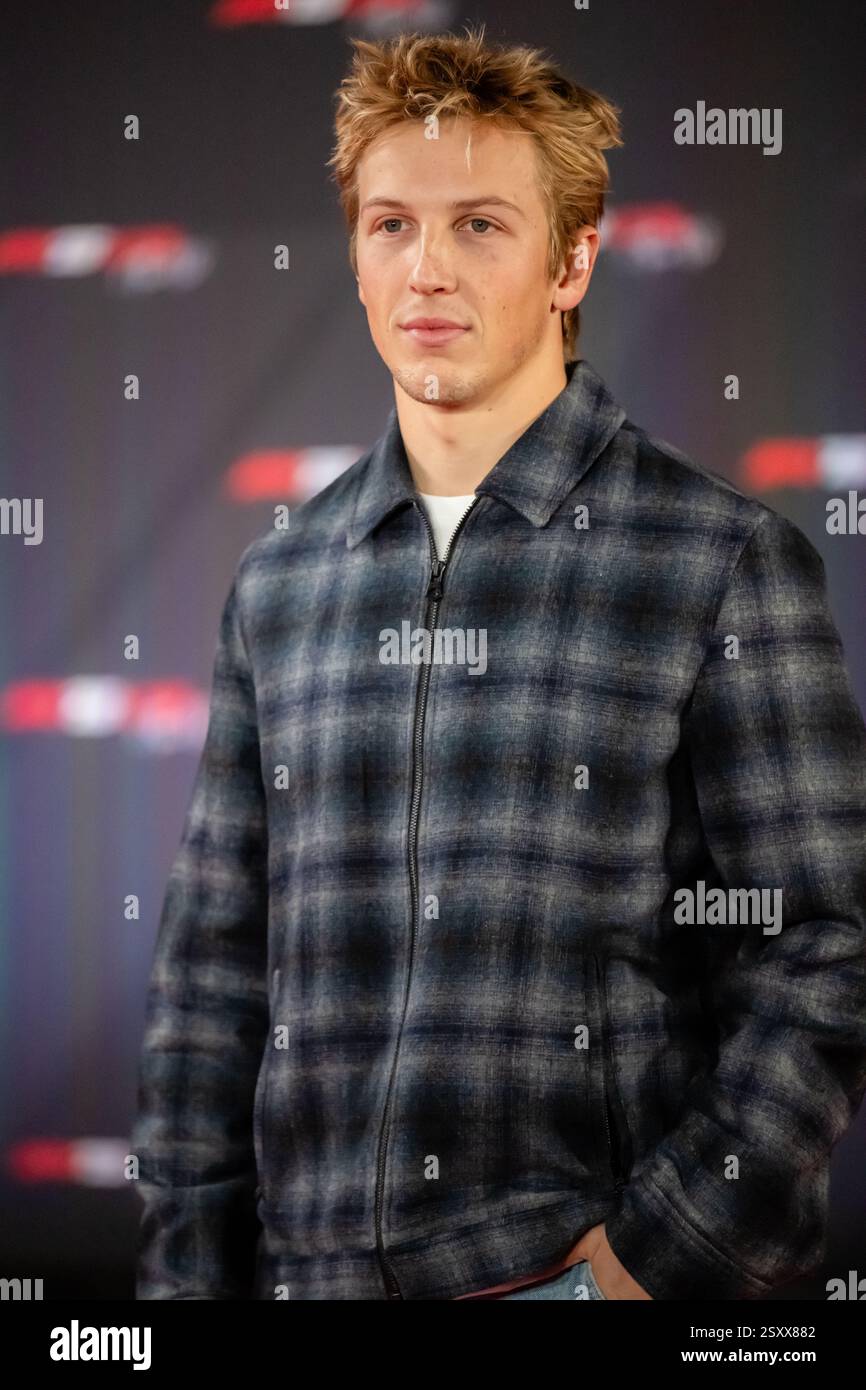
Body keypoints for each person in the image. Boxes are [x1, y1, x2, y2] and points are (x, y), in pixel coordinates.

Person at [130, 25, 866, 1301]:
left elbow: (824, 951)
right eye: (389, 225)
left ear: (572, 257)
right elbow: (211, 980)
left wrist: (653, 1265)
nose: (426, 269)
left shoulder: (717, 560)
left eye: (479, 224)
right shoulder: (281, 583)